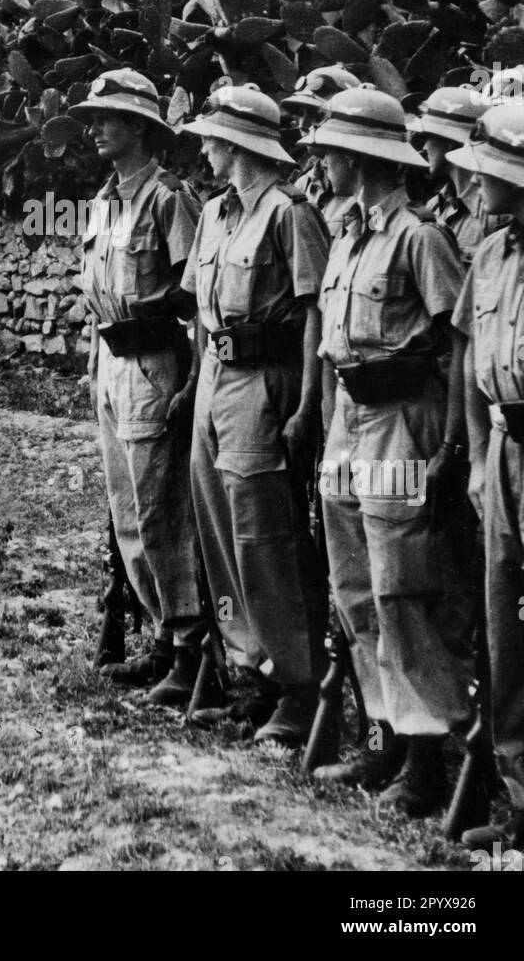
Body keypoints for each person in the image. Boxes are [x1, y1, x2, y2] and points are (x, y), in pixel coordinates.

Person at [306, 88, 472, 814]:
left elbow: (454, 346)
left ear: (363, 157)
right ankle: (387, 735)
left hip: (403, 422)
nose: (322, 159)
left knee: (401, 588)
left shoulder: (418, 237)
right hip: (350, 420)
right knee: (355, 587)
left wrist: (451, 444)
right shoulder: (346, 234)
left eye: (332, 149)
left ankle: (429, 755)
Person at [180, 82, 330, 746]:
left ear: (240, 141)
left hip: (266, 383)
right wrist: (193, 382)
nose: (205, 145)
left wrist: (305, 406)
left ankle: (298, 684)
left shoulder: (288, 213)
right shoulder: (215, 214)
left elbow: (313, 315)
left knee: (265, 536)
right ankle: (248, 672)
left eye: (212, 135)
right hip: (216, 380)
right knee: (217, 524)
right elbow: (198, 313)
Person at [73, 70, 206, 705]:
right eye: (95, 117)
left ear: (141, 128)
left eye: (109, 118)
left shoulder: (167, 200)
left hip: (156, 363)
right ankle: (159, 634)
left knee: (161, 514)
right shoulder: (103, 202)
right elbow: (96, 295)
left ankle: (187, 647)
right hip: (113, 364)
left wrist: (196, 379)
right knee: (127, 513)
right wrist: (94, 364)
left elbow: (198, 298)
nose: (96, 127)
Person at [447, 103, 524, 848]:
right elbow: (474, 367)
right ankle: (519, 798)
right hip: (503, 451)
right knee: (504, 624)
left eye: (493, 174)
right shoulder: (490, 255)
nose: (479, 187)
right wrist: (475, 456)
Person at [417, 85, 500, 267]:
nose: (424, 147)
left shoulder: (495, 213)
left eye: (429, 137)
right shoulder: (435, 207)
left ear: (449, 142)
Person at [281, 65, 362, 239]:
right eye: (301, 114)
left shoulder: (363, 185)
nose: (303, 125)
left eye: (316, 114)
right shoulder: (303, 185)